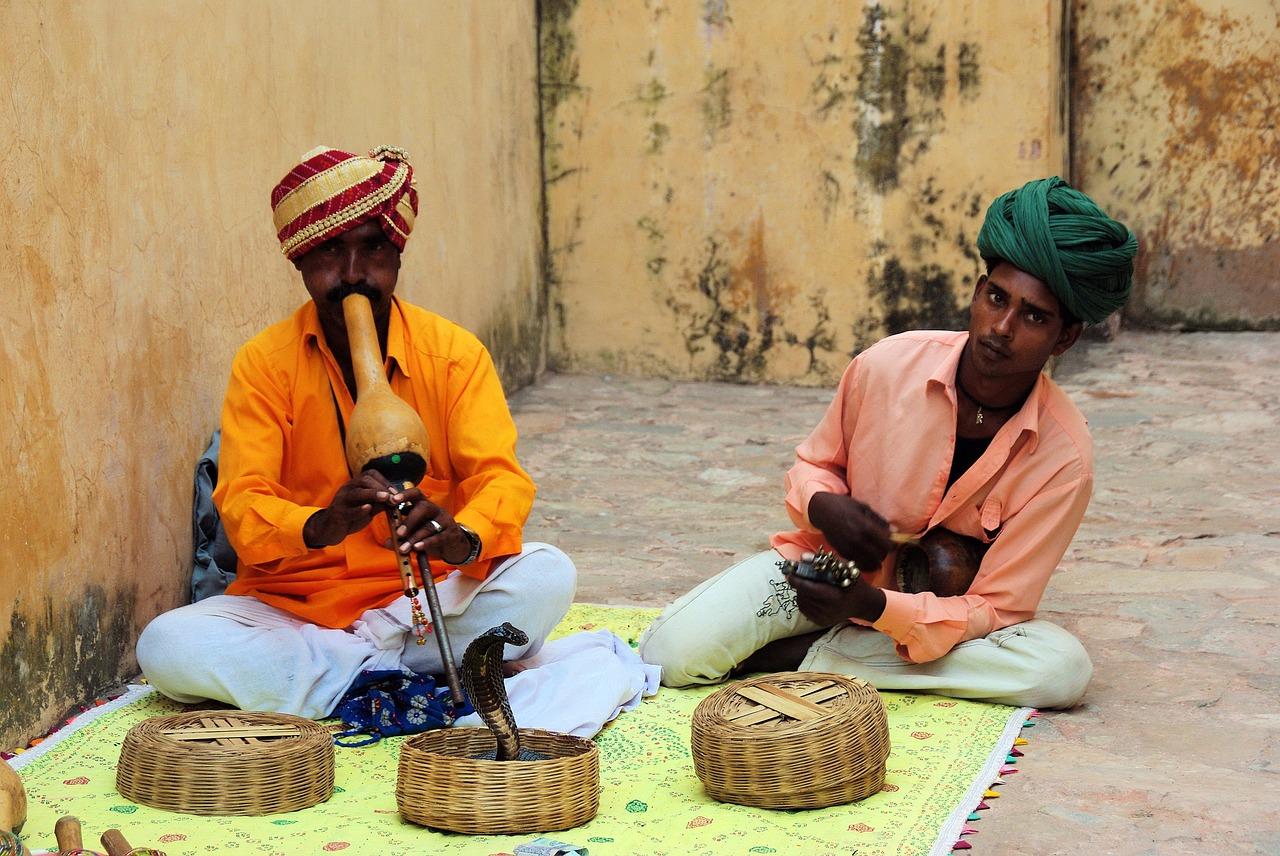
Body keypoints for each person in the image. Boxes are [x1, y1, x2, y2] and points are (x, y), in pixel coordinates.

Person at [640, 177, 1137, 709]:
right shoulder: (887, 365)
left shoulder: (1065, 458)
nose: (1002, 327)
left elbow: (997, 608)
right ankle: (849, 653)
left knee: (1060, 672)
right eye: (996, 298)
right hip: (822, 578)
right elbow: (813, 467)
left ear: (1065, 337)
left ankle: (808, 659)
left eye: (1034, 316)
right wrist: (825, 505)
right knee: (668, 653)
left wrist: (876, 607)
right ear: (977, 291)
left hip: (938, 623)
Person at [138, 146, 576, 718]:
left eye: (372, 248)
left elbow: (501, 481)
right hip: (296, 611)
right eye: (328, 253)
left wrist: (458, 537)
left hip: (424, 602)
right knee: (166, 647)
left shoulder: (454, 356)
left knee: (547, 574)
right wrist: (323, 524)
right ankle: (413, 676)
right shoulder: (264, 364)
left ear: (397, 254)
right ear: (299, 263)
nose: (351, 275)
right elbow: (243, 504)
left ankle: (350, 680)